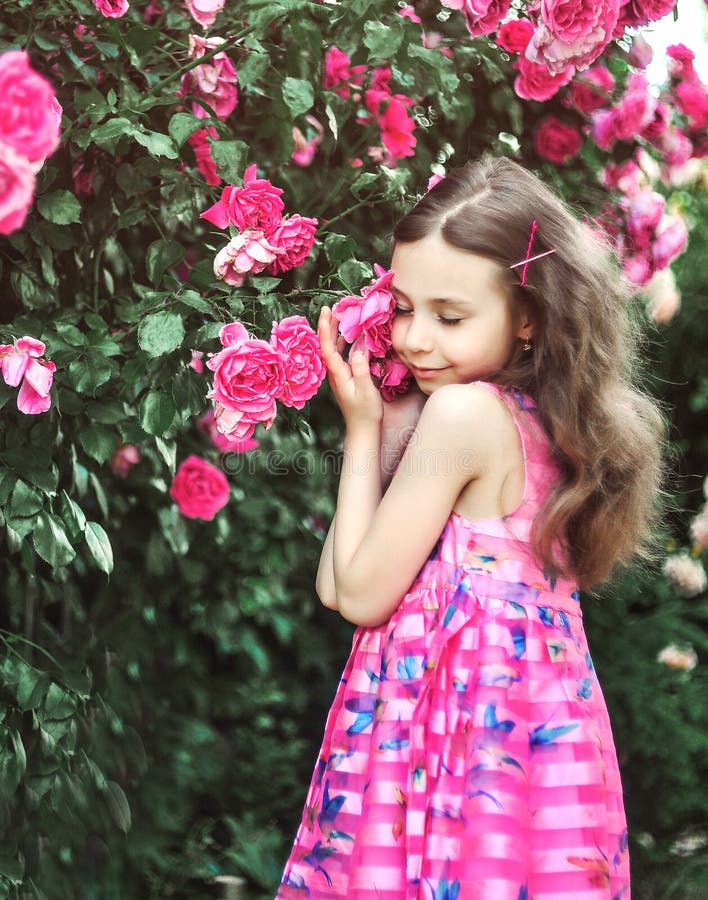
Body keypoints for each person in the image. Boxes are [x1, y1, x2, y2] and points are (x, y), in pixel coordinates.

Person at [275, 155, 665, 900]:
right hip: (525, 748)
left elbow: (356, 595)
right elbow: (341, 584)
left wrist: (361, 430)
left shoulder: (464, 416)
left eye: (450, 317)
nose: (415, 338)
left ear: (528, 316)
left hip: (462, 743)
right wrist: (382, 425)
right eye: (402, 307)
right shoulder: (545, 424)